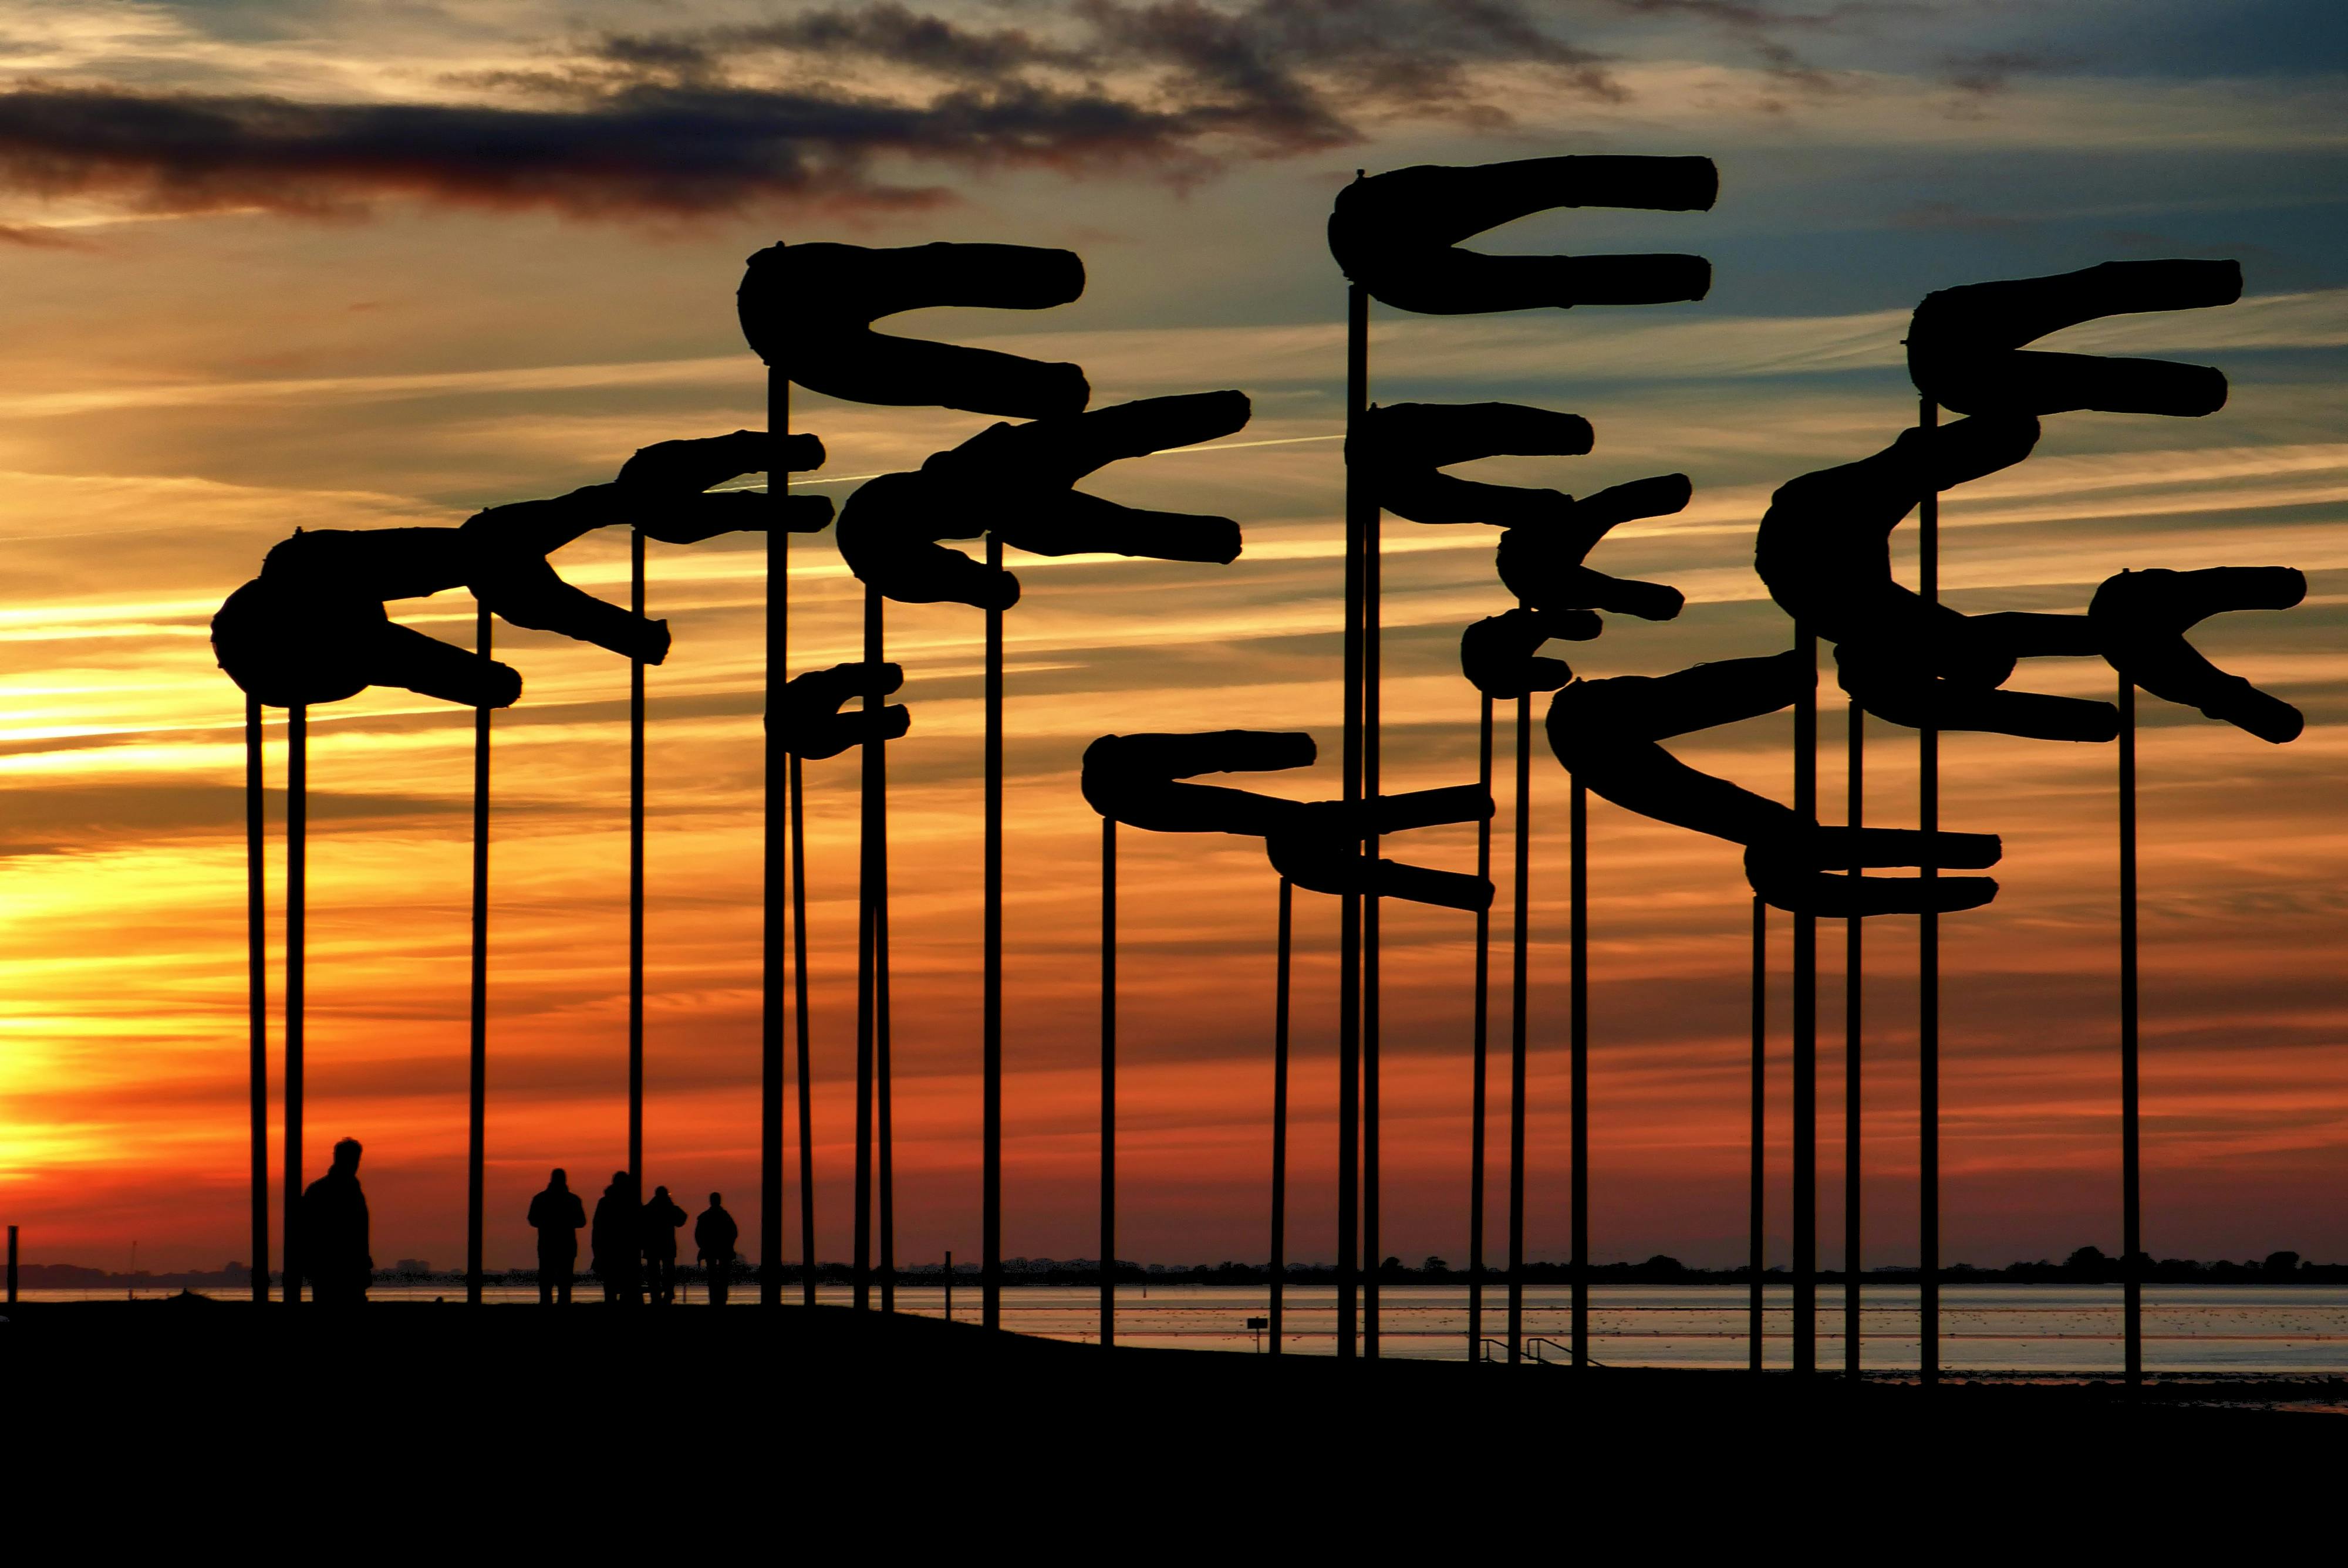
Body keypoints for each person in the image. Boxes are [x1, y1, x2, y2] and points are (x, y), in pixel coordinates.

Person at [298, 1137, 372, 1306]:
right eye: (353, 1160)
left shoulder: (320, 1190)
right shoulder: (334, 1191)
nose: (355, 1165)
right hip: (333, 1269)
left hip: (341, 1269)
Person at [527, 1168, 587, 1306]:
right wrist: (566, 1222)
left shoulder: (541, 1198)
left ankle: (546, 1303)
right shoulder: (573, 1200)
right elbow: (582, 1222)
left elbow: (532, 1219)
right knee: (564, 1281)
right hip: (566, 1245)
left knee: (547, 1280)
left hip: (547, 1245)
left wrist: (547, 1223)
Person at [592, 1171, 642, 1305]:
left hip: (609, 1248)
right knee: (625, 1282)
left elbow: (597, 1228)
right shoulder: (632, 1203)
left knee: (610, 1284)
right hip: (625, 1249)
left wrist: (597, 1250)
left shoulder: (605, 1202)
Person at [642, 1184, 687, 1306]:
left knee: (654, 1272)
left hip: (652, 1245)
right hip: (667, 1245)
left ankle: (655, 1296)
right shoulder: (669, 1208)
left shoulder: (650, 1208)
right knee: (668, 1271)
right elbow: (682, 1219)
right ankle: (667, 1295)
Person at [694, 1193, 739, 1307]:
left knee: (712, 1275)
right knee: (723, 1275)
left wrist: (703, 1247)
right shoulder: (725, 1216)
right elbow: (734, 1233)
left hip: (710, 1251)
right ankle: (722, 1298)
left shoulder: (705, 1217)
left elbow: (698, 1235)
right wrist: (729, 1245)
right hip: (724, 1250)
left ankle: (714, 1298)